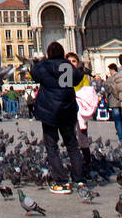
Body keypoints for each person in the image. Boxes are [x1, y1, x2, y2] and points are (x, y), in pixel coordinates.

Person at [30, 42, 85, 194]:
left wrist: (38, 61)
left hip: (49, 111)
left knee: (52, 146)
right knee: (72, 144)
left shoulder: (44, 66)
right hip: (67, 109)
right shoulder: (67, 66)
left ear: (48, 53)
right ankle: (79, 179)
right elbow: (77, 79)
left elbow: (33, 74)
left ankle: (62, 182)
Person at [104, 64, 122, 144]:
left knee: (117, 121)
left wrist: (108, 100)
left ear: (111, 70)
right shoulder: (121, 78)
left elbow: (107, 92)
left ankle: (121, 138)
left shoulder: (109, 80)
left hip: (114, 102)